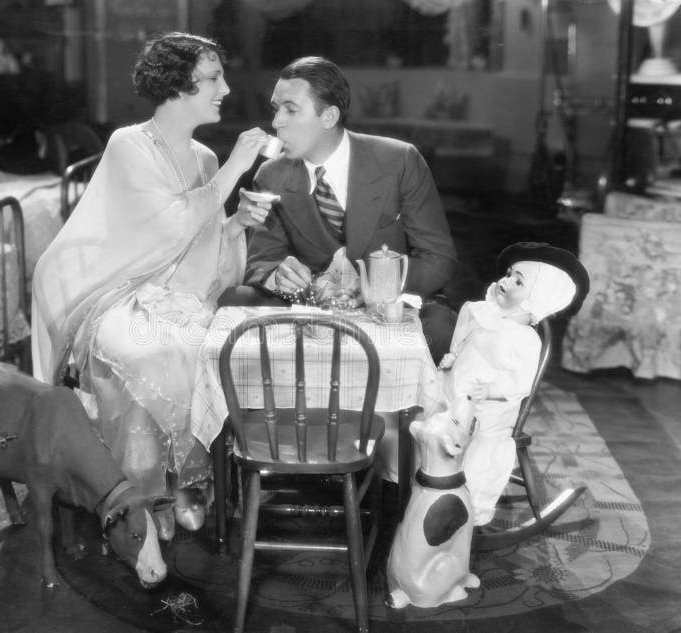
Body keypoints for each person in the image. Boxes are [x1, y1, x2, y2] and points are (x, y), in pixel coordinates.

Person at [30, 32, 271, 531]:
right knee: (147, 352)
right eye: (213, 78)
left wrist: (237, 224)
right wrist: (235, 170)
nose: (225, 88)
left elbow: (199, 248)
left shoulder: (205, 159)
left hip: (178, 296)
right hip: (113, 291)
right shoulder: (128, 145)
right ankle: (141, 497)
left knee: (198, 346)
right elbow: (169, 226)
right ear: (179, 85)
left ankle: (186, 479)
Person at [232, 55, 459, 362]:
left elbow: (438, 258)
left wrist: (375, 286)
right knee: (240, 311)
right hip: (313, 312)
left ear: (329, 116)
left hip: (391, 306)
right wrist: (278, 275)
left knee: (440, 329)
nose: (276, 122)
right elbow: (262, 263)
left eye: (290, 110)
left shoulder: (400, 160)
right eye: (276, 110)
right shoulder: (270, 175)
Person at [437, 241, 589, 525]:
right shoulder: (483, 314)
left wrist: (493, 390)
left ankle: (468, 507)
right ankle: (431, 483)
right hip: (456, 393)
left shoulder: (525, 339)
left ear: (536, 298)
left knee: (483, 449)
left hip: (490, 411)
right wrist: (452, 357)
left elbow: (521, 383)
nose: (504, 281)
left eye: (517, 281)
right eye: (508, 274)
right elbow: (465, 344)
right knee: (435, 417)